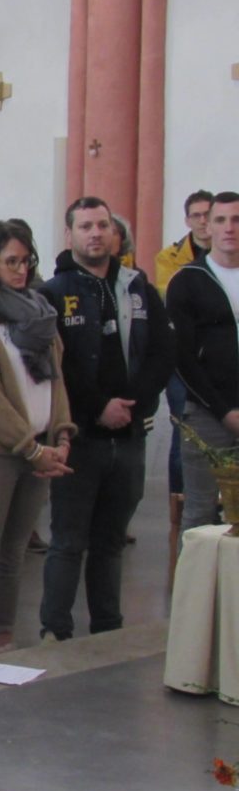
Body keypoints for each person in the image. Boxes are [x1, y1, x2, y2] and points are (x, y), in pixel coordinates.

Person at [38, 197, 172, 642]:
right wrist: (99, 407)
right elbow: (60, 364)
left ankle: (108, 630)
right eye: (85, 226)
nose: (95, 234)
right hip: (79, 437)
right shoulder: (53, 294)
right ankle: (55, 630)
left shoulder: (138, 287)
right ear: (69, 235)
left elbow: (160, 352)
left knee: (111, 541)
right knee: (68, 541)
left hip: (128, 435)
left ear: (114, 233)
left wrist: (131, 403)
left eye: (102, 225)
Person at [0, 220, 74, 654]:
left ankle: (4, 636)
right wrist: (30, 448)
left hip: (42, 446)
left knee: (14, 552)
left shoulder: (39, 312)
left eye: (26, 260)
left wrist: (63, 434)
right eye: (10, 261)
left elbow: (56, 381)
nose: (19, 270)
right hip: (0, 452)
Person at [166, 191, 239, 536]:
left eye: (236, 220)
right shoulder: (187, 281)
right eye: (221, 220)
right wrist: (225, 410)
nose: (229, 228)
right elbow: (182, 357)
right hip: (208, 413)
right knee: (200, 513)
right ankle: (193, 592)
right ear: (206, 226)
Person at [156, 190, 213, 536]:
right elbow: (173, 297)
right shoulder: (171, 257)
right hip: (183, 356)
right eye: (198, 215)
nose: (204, 222)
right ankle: (180, 503)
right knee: (184, 428)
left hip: (220, 359)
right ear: (187, 220)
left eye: (210, 214)